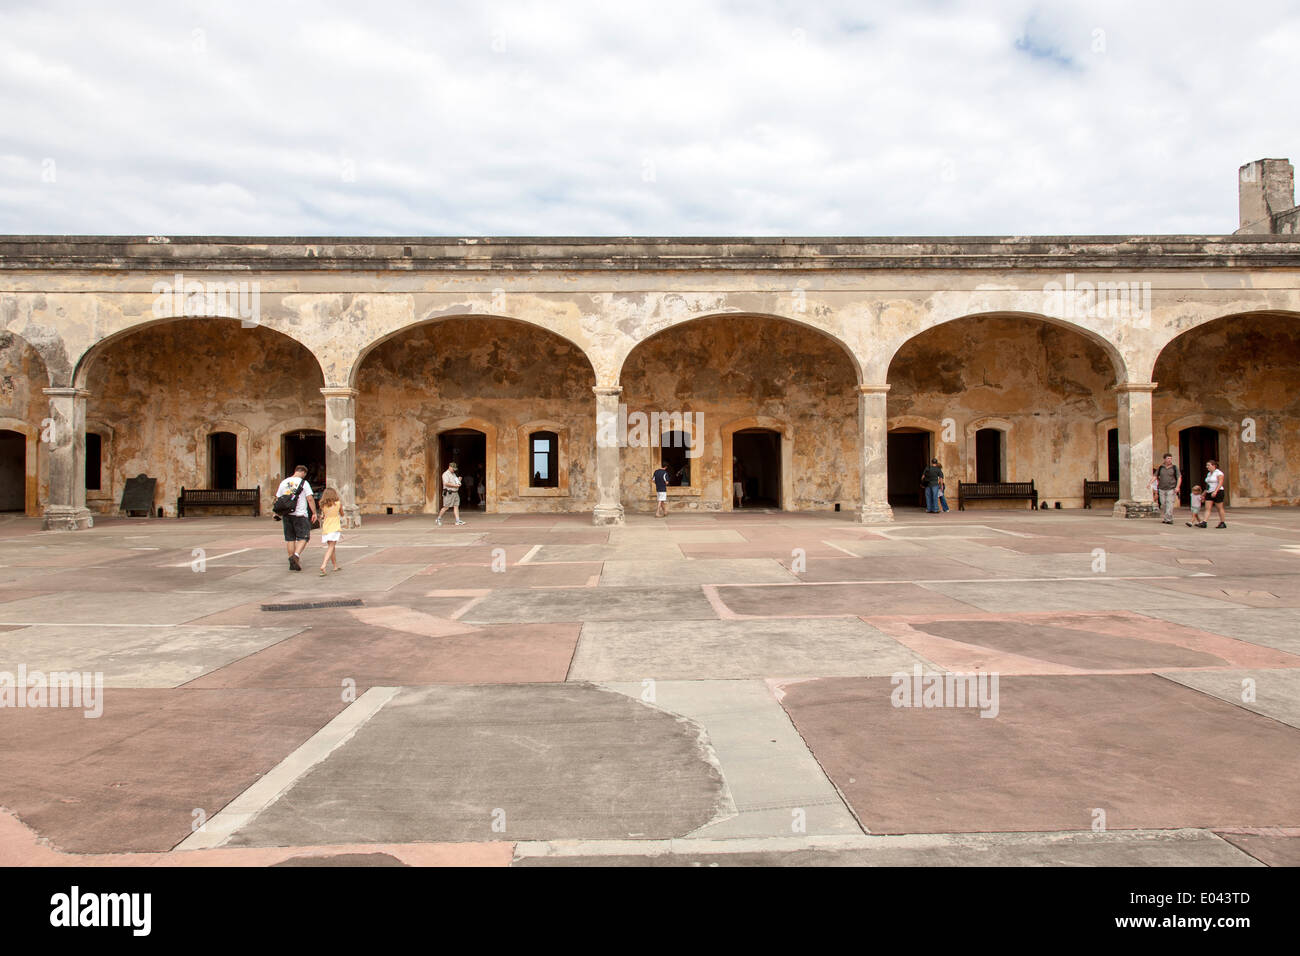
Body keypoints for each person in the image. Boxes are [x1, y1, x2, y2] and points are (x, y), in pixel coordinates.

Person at [276, 464, 318, 571]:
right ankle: (296, 555)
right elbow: (309, 498)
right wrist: (314, 512)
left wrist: (276, 513)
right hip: (300, 514)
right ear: (303, 473)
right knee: (304, 537)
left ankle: (291, 560)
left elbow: (278, 499)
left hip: (287, 515)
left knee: (290, 538)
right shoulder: (304, 483)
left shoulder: (284, 482)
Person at [1150, 453, 1182, 524]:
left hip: (1171, 488)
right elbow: (1155, 476)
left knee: (1169, 503)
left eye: (1170, 458)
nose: (1169, 460)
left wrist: (1177, 487)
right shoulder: (1161, 468)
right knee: (1163, 503)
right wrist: (1150, 483)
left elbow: (1179, 477)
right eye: (1168, 458)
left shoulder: (1174, 467)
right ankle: (1166, 517)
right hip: (1162, 488)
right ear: (1164, 459)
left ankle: (1169, 519)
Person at [317, 486, 343, 575]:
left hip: (326, 527)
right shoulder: (338, 503)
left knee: (331, 547)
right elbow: (342, 513)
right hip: (335, 527)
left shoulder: (322, 505)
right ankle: (324, 565)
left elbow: (323, 516)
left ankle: (335, 565)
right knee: (331, 547)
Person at [1198, 459, 1227, 528]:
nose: (1207, 467)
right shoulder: (1209, 474)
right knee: (1207, 508)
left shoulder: (1219, 473)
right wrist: (1204, 493)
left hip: (1218, 491)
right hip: (1209, 492)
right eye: (1207, 465)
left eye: (1208, 465)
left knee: (1219, 508)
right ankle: (1204, 522)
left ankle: (1222, 522)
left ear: (1214, 466)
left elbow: (1220, 482)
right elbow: (1208, 485)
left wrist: (1215, 491)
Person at [436, 461, 466, 526]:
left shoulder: (453, 474)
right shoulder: (445, 474)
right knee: (446, 507)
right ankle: (438, 519)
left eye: (455, 469)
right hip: (449, 493)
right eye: (453, 469)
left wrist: (459, 480)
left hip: (455, 492)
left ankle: (457, 520)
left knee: (456, 506)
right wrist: (455, 486)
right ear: (449, 467)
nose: (454, 470)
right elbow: (446, 483)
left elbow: (456, 482)